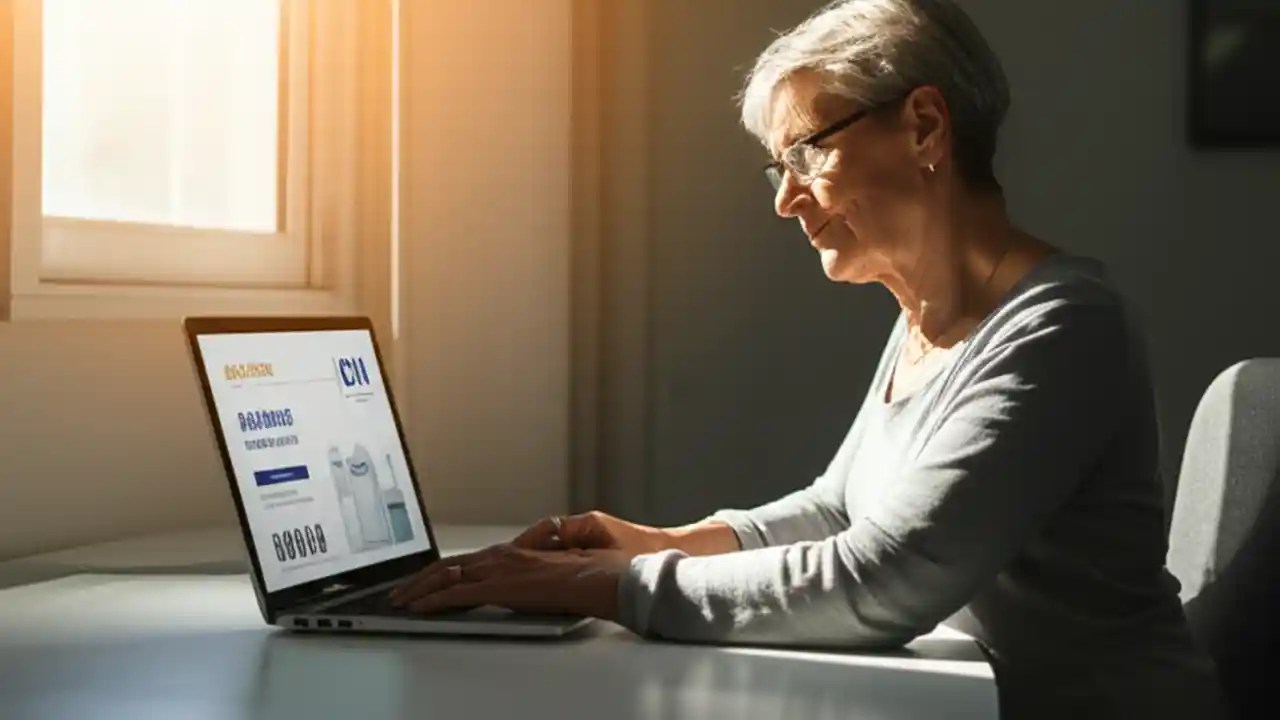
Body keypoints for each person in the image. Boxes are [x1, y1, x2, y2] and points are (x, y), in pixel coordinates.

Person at [390, 1, 1226, 716]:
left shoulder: (1064, 327)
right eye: (778, 167)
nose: (787, 199)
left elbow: (885, 580)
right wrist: (658, 542)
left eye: (806, 153)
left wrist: (603, 586)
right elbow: (841, 512)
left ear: (925, 126)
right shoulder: (929, 322)